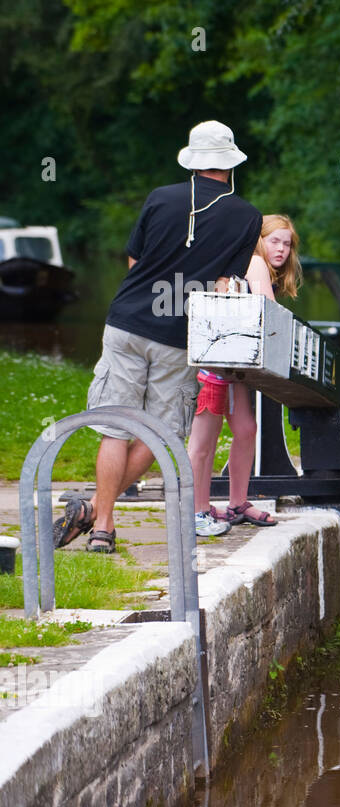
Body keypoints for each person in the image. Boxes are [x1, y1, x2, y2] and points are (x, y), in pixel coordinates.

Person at [54, 121, 261, 552]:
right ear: (230, 165)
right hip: (181, 335)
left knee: (116, 428)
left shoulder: (160, 198)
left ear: (193, 161)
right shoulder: (246, 216)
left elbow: (135, 259)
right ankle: (97, 513)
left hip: (126, 322)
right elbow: (226, 284)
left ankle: (101, 523)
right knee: (159, 434)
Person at [187, 214, 303, 529]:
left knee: (246, 429)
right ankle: (197, 510)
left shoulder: (248, 264)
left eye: (287, 244)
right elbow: (268, 309)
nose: (281, 249)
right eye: (274, 241)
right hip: (215, 364)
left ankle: (237, 502)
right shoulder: (255, 263)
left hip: (235, 366)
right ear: (259, 240)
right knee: (203, 441)